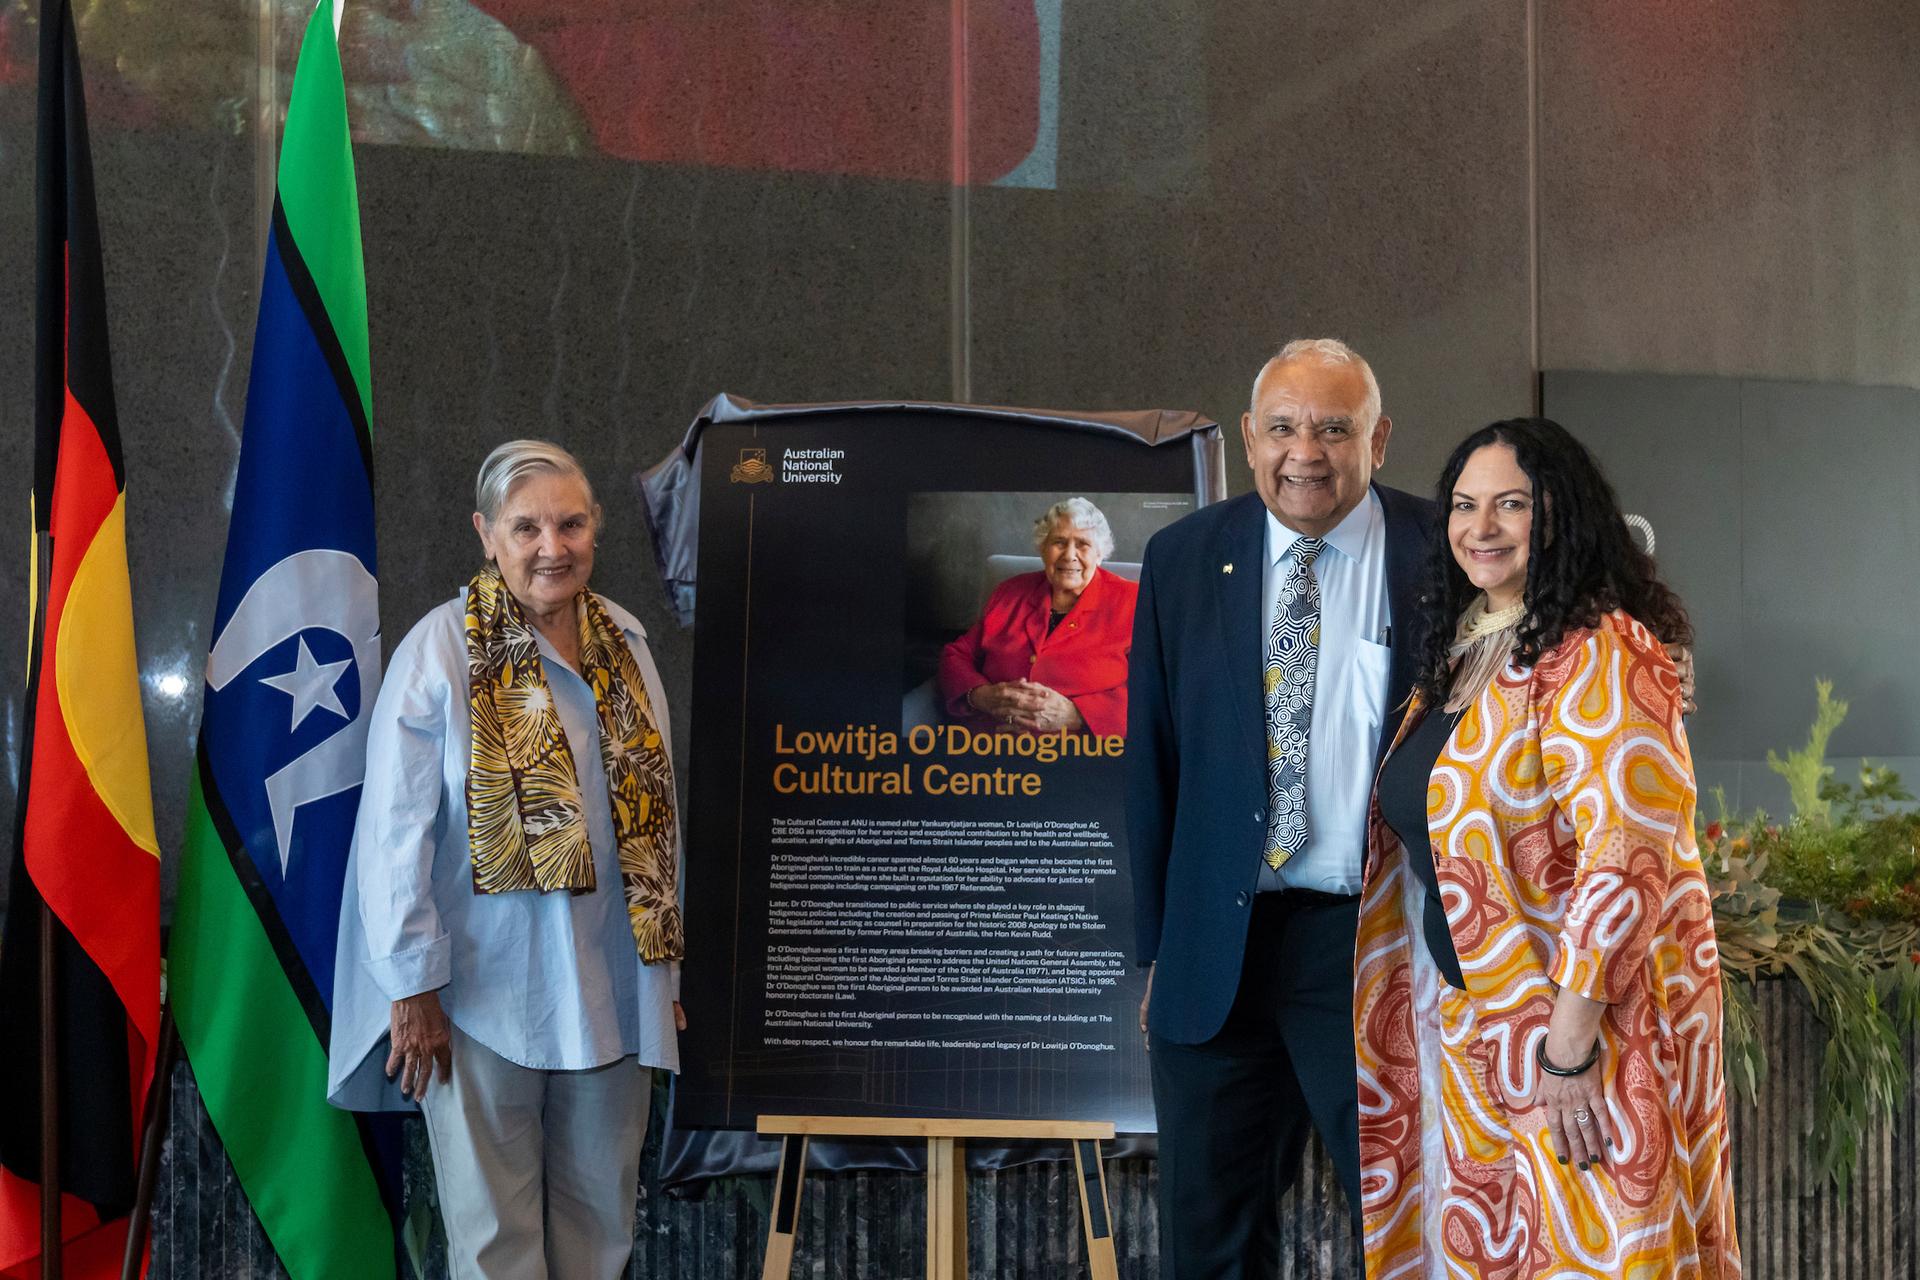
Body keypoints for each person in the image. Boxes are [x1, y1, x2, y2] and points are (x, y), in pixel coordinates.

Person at [1355, 417, 1740, 1278]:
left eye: (1510, 504)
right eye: (1463, 504)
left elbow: (1625, 858)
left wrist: (1569, 1049)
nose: (1478, 526)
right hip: (1480, 1031)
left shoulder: (1601, 650)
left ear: (1560, 516)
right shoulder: (1470, 650)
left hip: (1587, 1042)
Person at [326, 440, 685, 1280]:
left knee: (602, 1237)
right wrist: (412, 987)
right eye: (527, 527)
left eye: (570, 523)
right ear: (487, 534)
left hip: (612, 996)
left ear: (595, 530)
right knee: (495, 1247)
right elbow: (391, 836)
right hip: (478, 1005)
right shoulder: (440, 651)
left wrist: (664, 974)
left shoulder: (627, 646)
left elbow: (657, 821)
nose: (551, 547)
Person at [1126, 339, 1433, 1276]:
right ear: (1251, 437)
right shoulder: (1184, 558)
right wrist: (1158, 949)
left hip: (1371, 945)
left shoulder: (1443, 553)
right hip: (1219, 949)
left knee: (1409, 1223)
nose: (1308, 451)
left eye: (1334, 428)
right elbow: (1152, 762)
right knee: (1210, 1239)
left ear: (1378, 440)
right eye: (1286, 427)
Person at [938, 496, 1137, 737]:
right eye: (1059, 542)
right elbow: (956, 655)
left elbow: (1158, 686)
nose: (1069, 555)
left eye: (1083, 544)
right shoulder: (1011, 592)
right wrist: (980, 695)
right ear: (1043, 548)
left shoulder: (1133, 601)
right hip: (992, 744)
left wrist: (1078, 715)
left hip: (1080, 751)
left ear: (1100, 553)